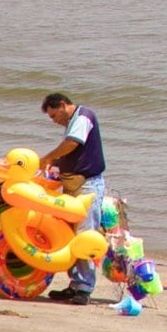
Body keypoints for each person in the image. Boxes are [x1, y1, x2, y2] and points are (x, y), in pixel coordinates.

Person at [38, 92, 109, 301]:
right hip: (74, 184)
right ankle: (75, 283)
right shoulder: (73, 122)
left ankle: (85, 288)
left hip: (88, 185)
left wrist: (49, 157)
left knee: (85, 234)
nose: (54, 121)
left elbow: (72, 144)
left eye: (54, 116)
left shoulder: (83, 117)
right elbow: (71, 153)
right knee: (70, 233)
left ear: (62, 105)